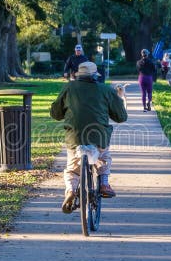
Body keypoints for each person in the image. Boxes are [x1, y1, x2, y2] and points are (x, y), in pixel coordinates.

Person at [50, 61, 128, 213]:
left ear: (78, 75)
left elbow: (55, 114)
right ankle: (104, 184)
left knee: (73, 168)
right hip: (99, 136)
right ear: (95, 76)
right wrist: (119, 97)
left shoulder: (69, 87)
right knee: (103, 157)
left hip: (75, 137)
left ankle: (71, 190)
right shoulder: (106, 90)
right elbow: (121, 117)